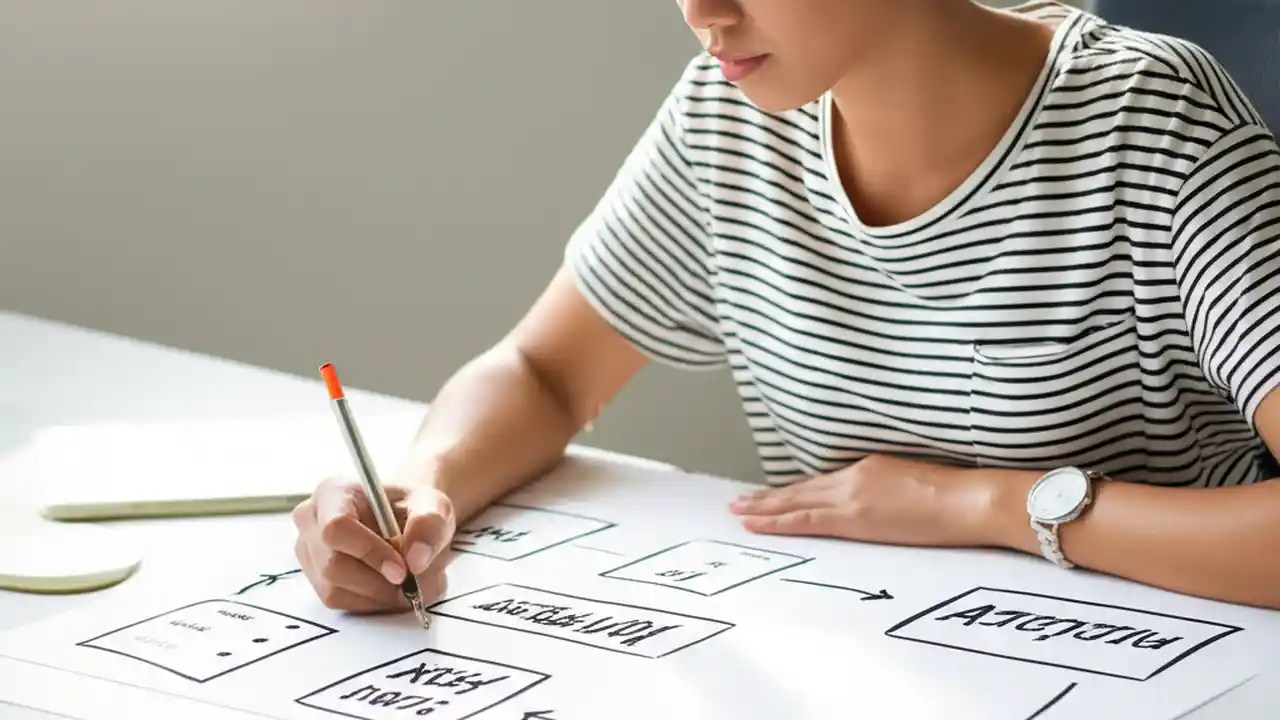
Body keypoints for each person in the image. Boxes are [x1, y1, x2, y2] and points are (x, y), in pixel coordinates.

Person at [291, 0, 1280, 613]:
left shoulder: (1153, 122)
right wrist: (424, 493)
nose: (699, 10)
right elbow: (545, 373)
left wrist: (988, 507)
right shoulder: (726, 119)